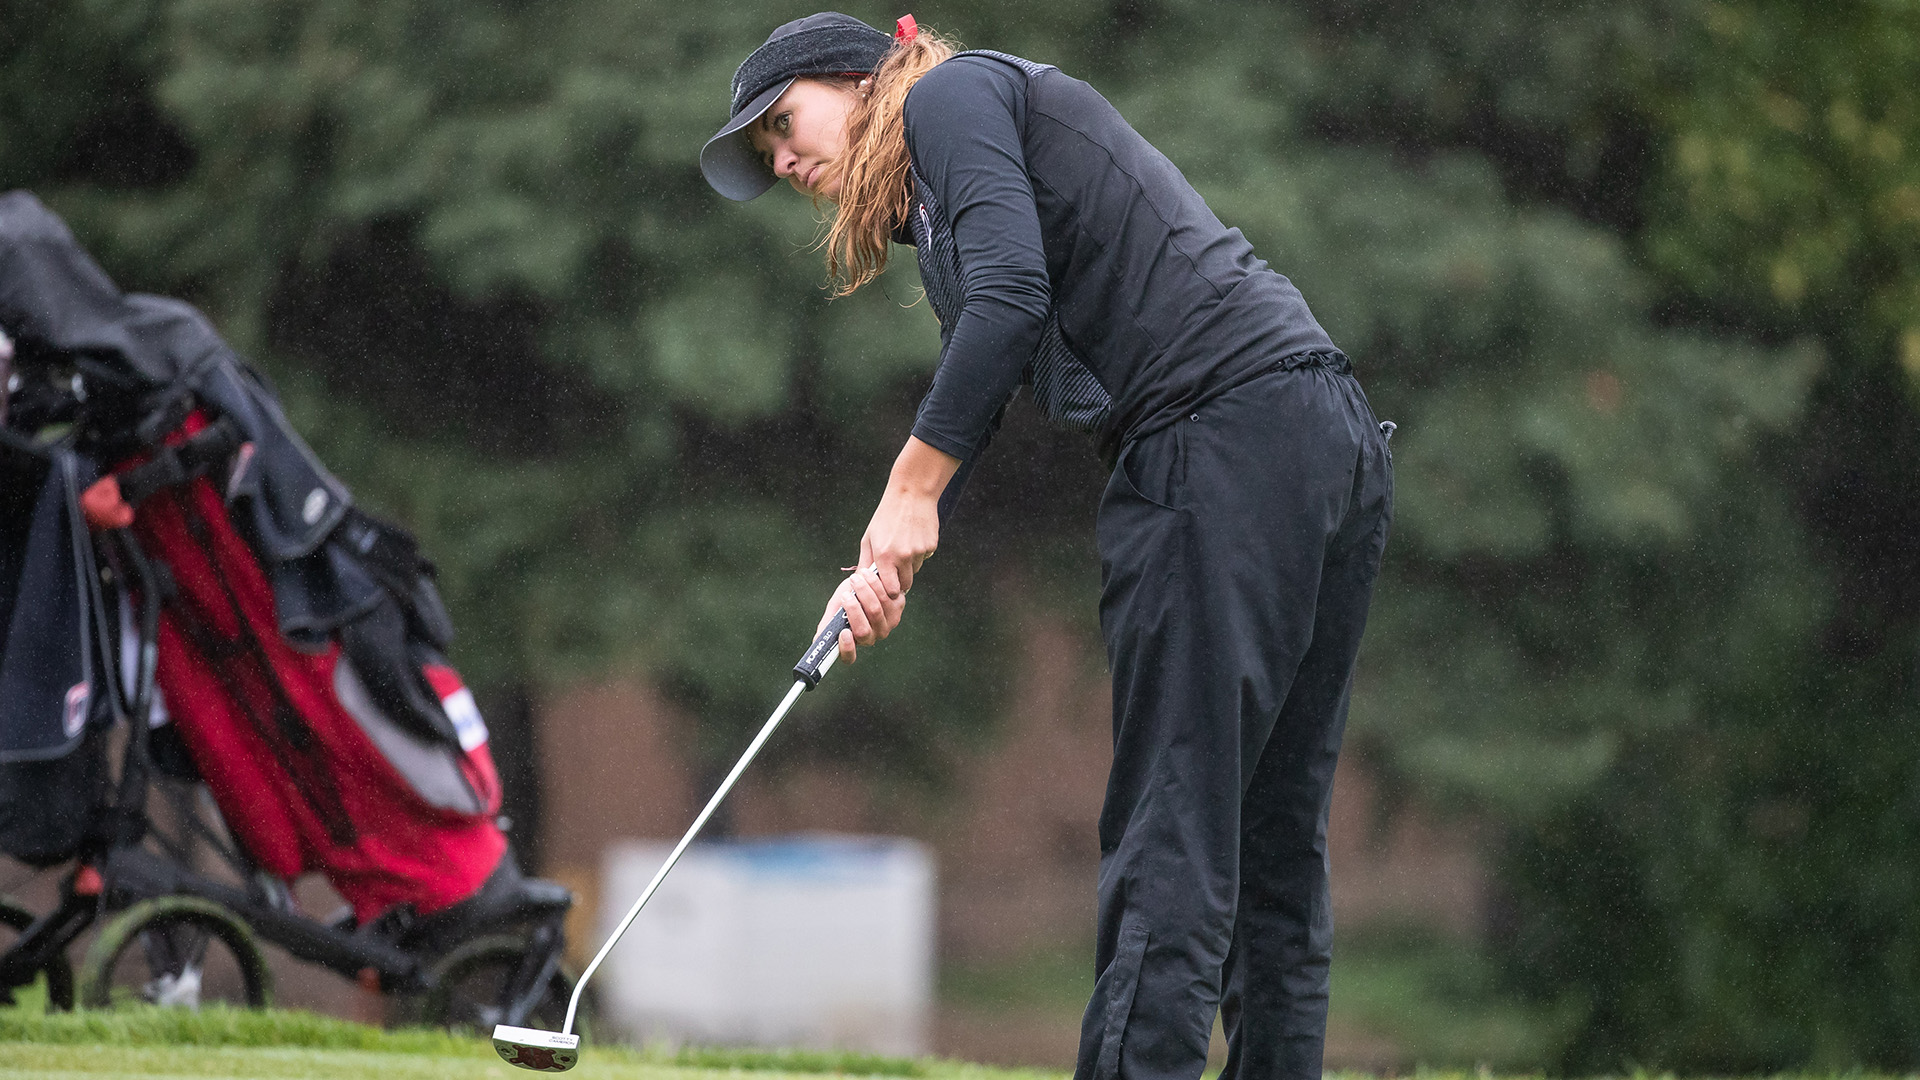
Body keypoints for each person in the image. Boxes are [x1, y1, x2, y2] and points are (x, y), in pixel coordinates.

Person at [700, 13, 1393, 1080]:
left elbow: (1014, 305)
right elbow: (981, 373)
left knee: (1176, 829)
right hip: (1320, 437)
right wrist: (882, 566)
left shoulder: (946, 96)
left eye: (784, 126)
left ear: (854, 78)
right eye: (765, 158)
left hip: (1220, 441)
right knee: (1268, 850)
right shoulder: (955, 196)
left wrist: (909, 486)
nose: (784, 162)